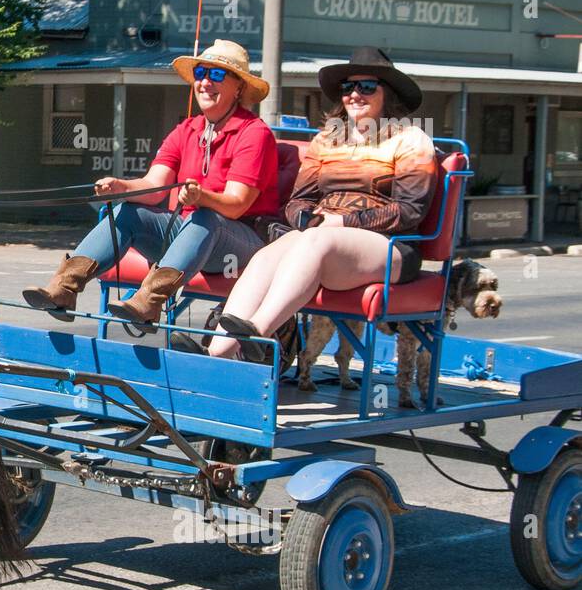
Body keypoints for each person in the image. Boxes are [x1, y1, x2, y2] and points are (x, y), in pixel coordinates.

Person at [182, 46, 439, 361]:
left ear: (389, 94)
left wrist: (341, 223)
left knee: (315, 240)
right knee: (270, 253)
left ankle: (257, 333)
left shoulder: (411, 139)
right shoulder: (326, 140)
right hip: (324, 241)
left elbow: (411, 211)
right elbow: (298, 200)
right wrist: (305, 219)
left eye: (367, 87)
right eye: (348, 87)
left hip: (392, 247)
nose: (355, 94)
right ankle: (215, 352)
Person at [22, 39, 280, 328]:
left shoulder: (254, 133)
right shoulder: (187, 129)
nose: (205, 82)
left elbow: (236, 206)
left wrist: (201, 197)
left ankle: (149, 302)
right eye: (200, 74)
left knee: (207, 218)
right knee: (128, 210)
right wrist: (120, 187)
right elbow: (154, 184)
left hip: (239, 244)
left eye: (217, 75)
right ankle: (64, 288)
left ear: (239, 88)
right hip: (188, 234)